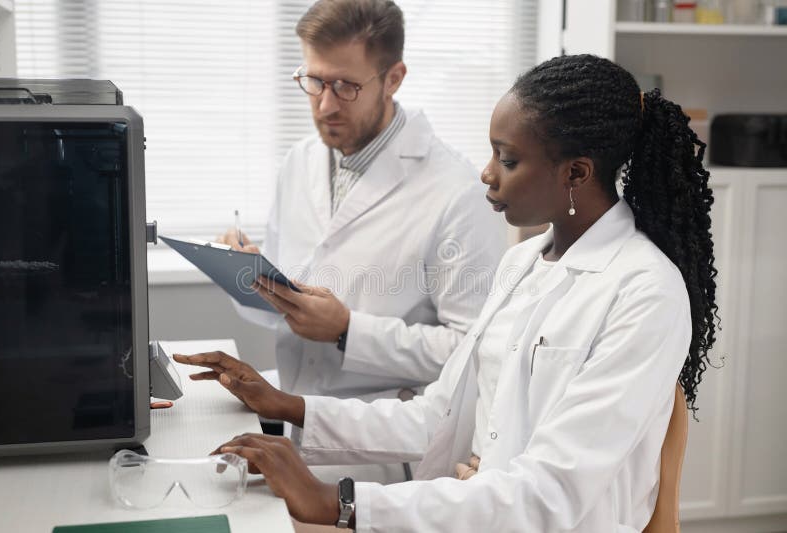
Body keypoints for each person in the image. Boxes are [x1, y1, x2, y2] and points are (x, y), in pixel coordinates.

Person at [178, 54, 719, 531]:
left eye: (508, 160)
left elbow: (550, 494)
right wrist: (284, 405)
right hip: (480, 508)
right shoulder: (523, 262)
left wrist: (338, 503)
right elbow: (439, 415)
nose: (486, 174)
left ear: (576, 172)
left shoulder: (646, 293)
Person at [218, 0, 505, 412]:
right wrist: (253, 277)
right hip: (296, 413)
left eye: (346, 86)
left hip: (388, 448)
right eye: (314, 81)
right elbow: (291, 309)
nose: (326, 106)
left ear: (394, 79)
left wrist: (348, 331)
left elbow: (473, 349)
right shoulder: (299, 162)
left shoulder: (458, 191)